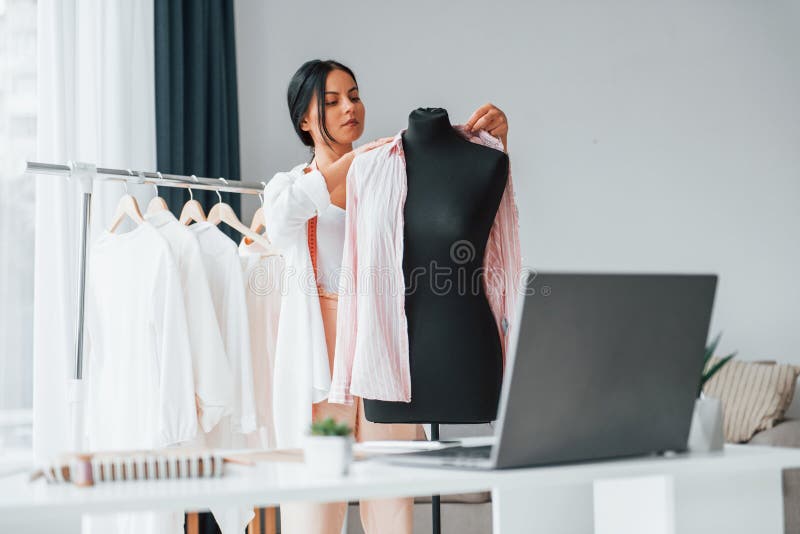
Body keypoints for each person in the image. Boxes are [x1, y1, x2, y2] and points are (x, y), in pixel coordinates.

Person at [262, 58, 509, 534]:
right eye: (331, 101)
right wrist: (355, 162)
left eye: (353, 95)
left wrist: (497, 141)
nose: (349, 108)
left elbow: (463, 206)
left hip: (383, 351)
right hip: (320, 360)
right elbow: (280, 222)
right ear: (304, 120)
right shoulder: (288, 188)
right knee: (311, 512)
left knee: (391, 505)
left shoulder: (398, 178)